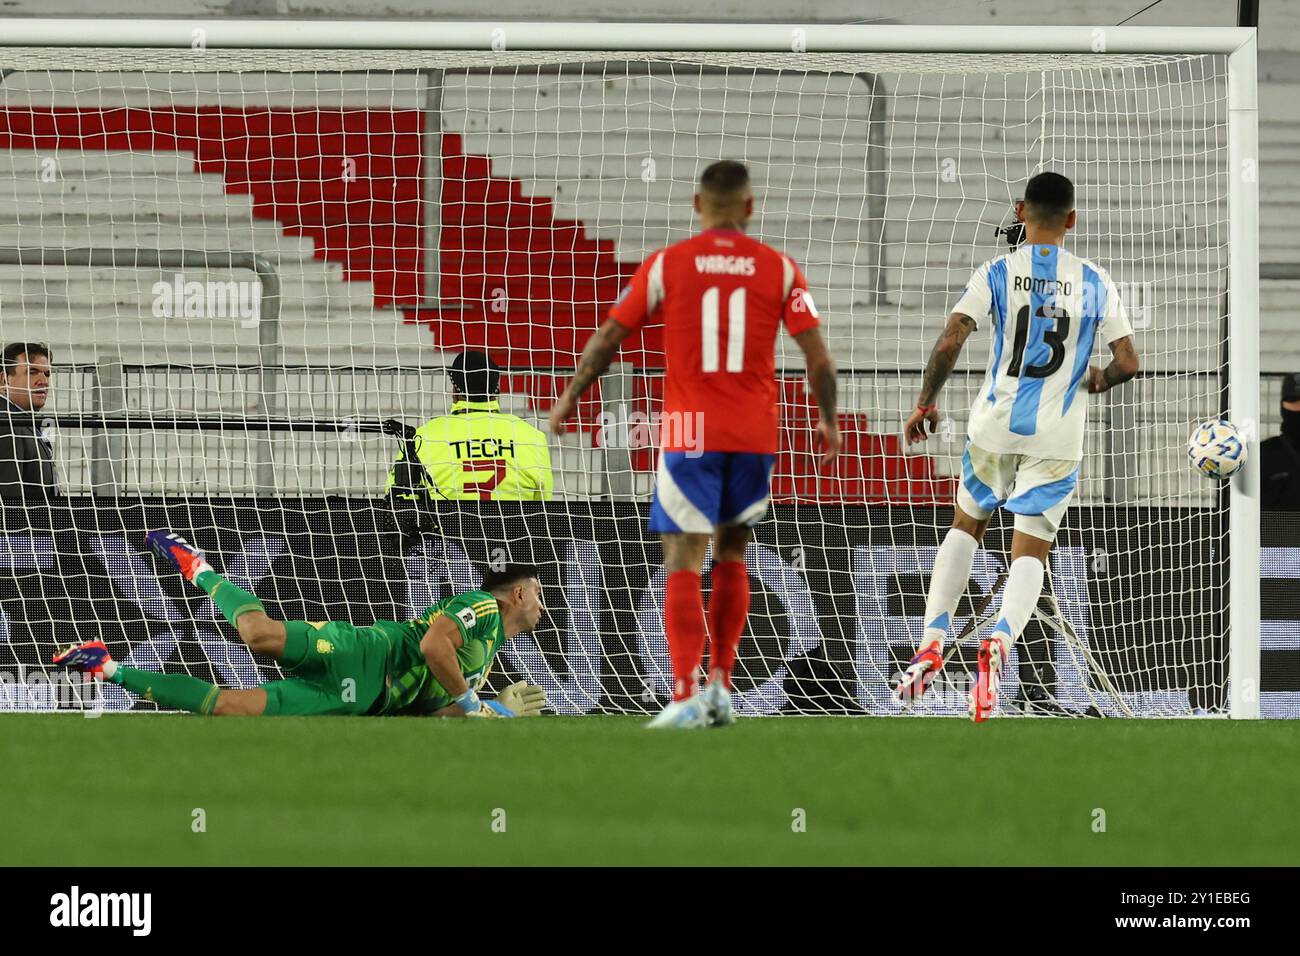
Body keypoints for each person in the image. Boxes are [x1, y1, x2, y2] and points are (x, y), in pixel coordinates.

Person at [548, 159, 841, 729]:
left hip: (689, 429)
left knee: (684, 556)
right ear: (750, 208)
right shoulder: (779, 269)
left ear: (696, 205)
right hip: (755, 431)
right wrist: (827, 419)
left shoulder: (666, 265)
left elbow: (611, 335)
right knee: (732, 554)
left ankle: (684, 692)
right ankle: (721, 687)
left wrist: (568, 398)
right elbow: (819, 358)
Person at [896, 171, 1140, 722]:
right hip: (1057, 435)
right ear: (1072, 220)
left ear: (1021, 211)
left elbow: (952, 336)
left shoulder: (998, 271)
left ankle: (932, 644)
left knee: (965, 526)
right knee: (1030, 552)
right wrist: (1099, 379)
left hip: (993, 427)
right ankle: (1000, 644)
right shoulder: (1096, 281)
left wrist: (926, 402)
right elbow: (1129, 362)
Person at [53, 530, 547, 718]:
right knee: (257, 635)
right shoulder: (483, 608)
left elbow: (432, 718)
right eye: (541, 595)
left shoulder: (485, 663)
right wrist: (471, 702)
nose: (544, 608)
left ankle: (109, 667)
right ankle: (196, 566)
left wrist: (493, 715)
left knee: (231, 709)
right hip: (362, 652)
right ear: (518, 593)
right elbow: (434, 646)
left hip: (359, 702)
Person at [387, 350, 553, 501]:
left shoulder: (422, 438)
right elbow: (543, 504)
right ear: (497, 391)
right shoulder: (532, 437)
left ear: (455, 392)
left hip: (445, 533)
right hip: (515, 532)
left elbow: (396, 497)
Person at [0, 342, 59, 500]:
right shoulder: (6, 425)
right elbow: (9, 500)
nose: (43, 381)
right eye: (32, 372)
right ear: (4, 380)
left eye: (47, 374)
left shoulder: (23, 421)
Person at [1261, 371, 1300, 511]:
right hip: (1273, 531)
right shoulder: (1263, 454)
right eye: (1293, 401)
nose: (1299, 407)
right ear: (1282, 405)